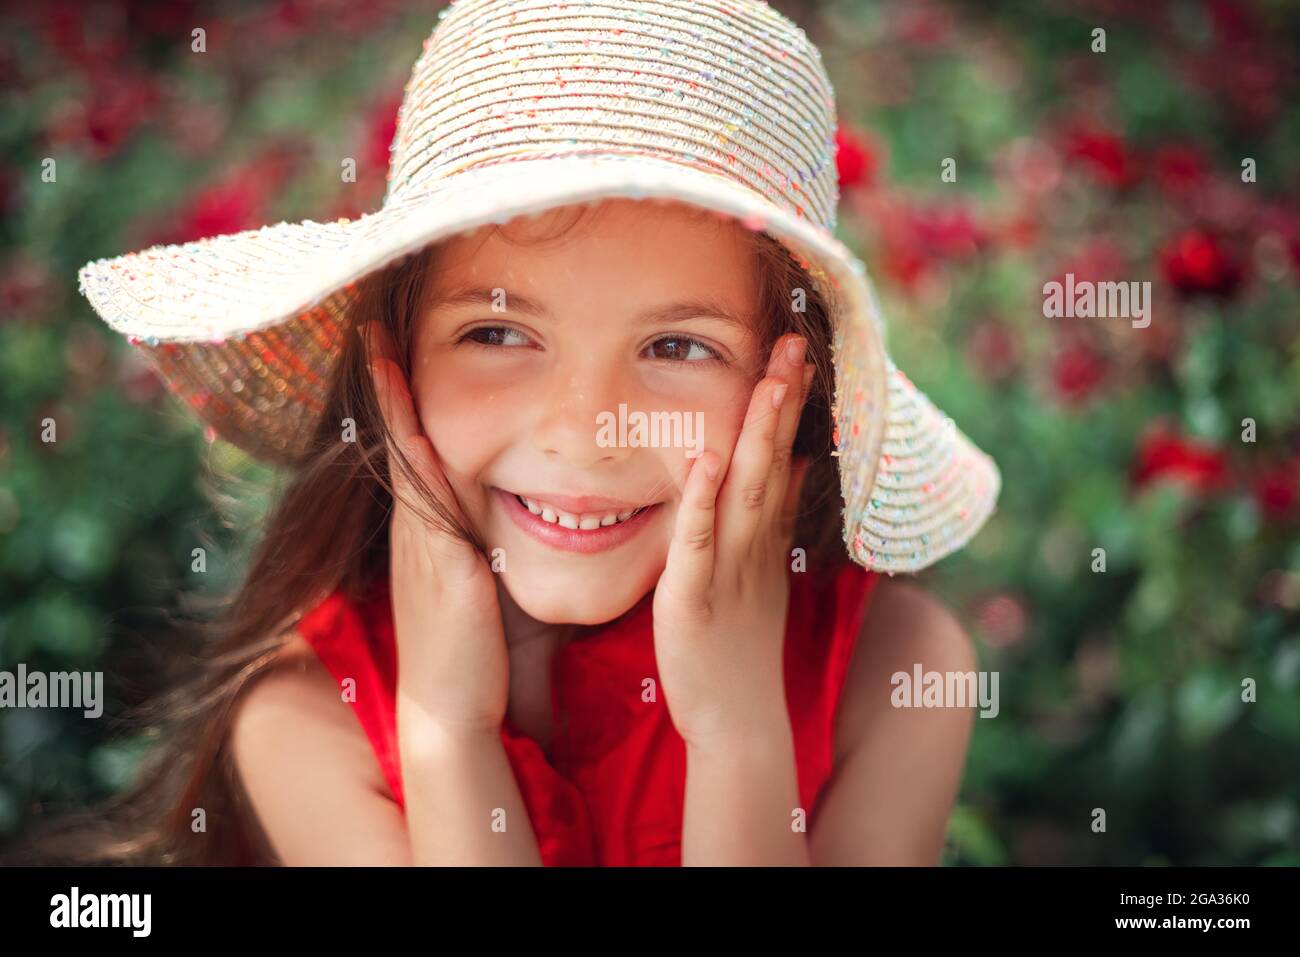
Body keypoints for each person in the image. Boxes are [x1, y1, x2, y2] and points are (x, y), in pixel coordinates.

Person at [48, 0, 1001, 866]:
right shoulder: (307, 717)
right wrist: (444, 733)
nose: (586, 433)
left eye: (678, 344)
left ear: (794, 388)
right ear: (393, 367)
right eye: (498, 332)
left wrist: (737, 733)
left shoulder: (901, 669)